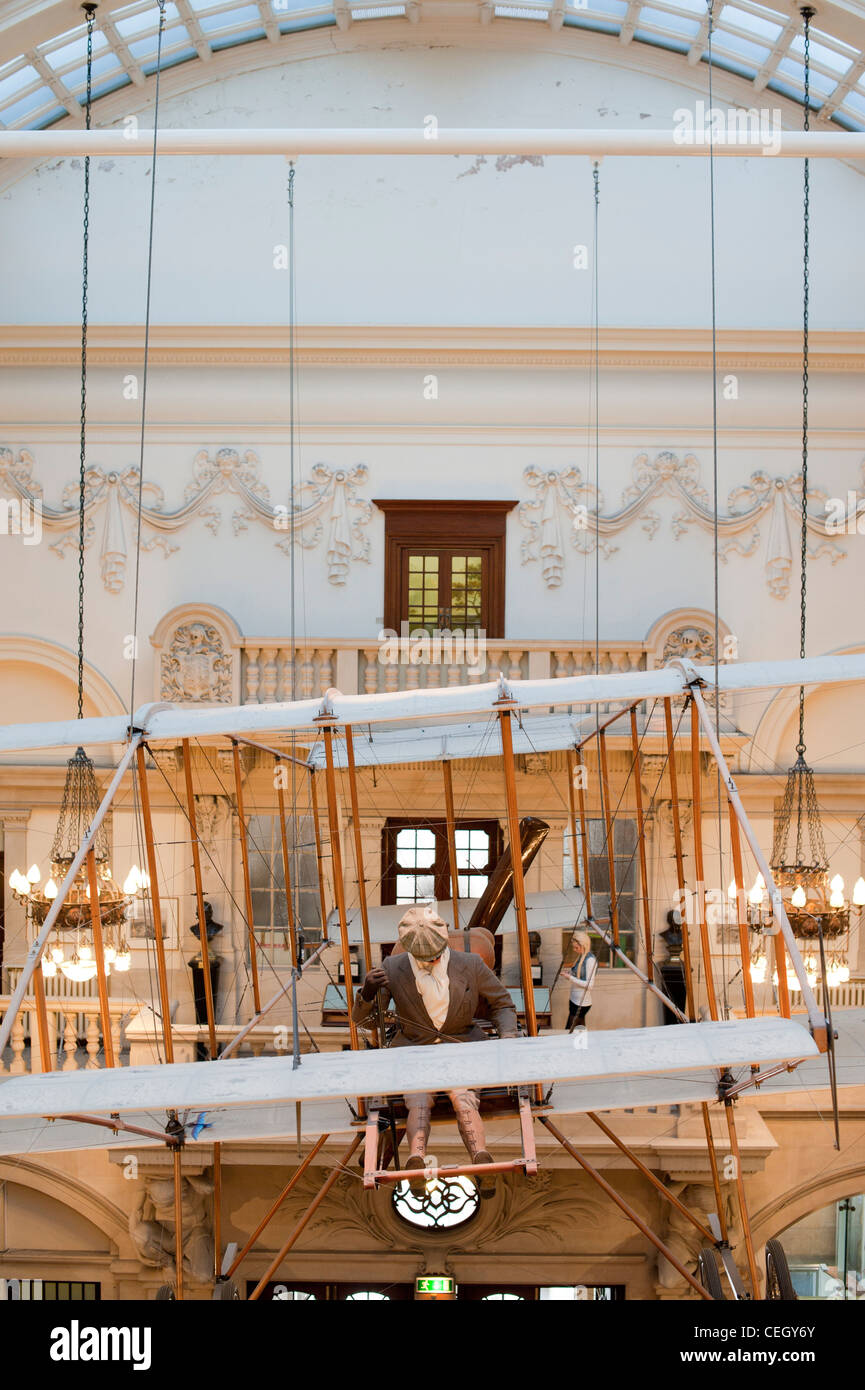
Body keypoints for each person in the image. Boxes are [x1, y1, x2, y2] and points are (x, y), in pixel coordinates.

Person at [353, 903, 517, 1197]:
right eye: (423, 958)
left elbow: (502, 1003)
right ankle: (416, 1160)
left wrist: (506, 1036)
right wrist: (366, 992)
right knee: (417, 1099)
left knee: (464, 1096)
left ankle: (480, 1158)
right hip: (415, 1051)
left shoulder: (471, 964)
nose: (431, 961)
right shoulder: (393, 968)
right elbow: (365, 1022)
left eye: (435, 956)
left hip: (462, 1045)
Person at [566, 930, 598, 1032]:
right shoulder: (581, 957)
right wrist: (570, 973)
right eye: (574, 947)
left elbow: (589, 985)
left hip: (581, 1003)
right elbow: (579, 976)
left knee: (569, 1031)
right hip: (575, 1001)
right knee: (579, 1031)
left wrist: (570, 978)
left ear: (584, 945)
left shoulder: (590, 960)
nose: (575, 950)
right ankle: (583, 1047)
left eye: (577, 947)